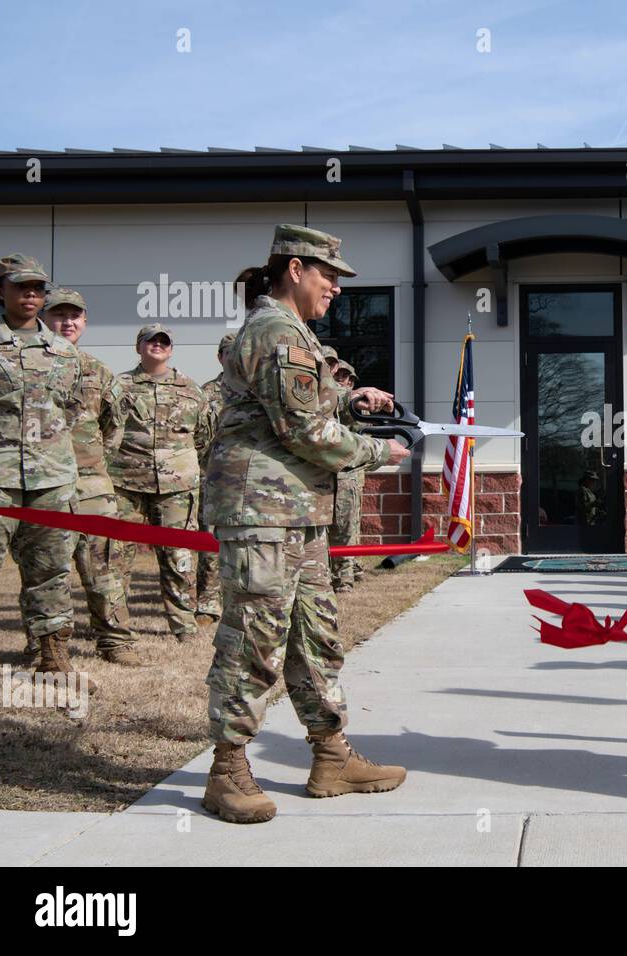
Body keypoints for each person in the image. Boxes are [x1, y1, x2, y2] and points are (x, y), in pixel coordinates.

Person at [202, 224, 410, 825]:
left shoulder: (294, 336)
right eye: (329, 276)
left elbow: (298, 406)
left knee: (314, 637)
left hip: (298, 514)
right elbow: (302, 431)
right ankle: (227, 770)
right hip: (263, 514)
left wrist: (352, 400)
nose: (337, 289)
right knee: (253, 640)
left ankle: (331, 756)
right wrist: (379, 453)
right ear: (295, 270)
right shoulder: (276, 331)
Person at [0, 256, 93, 691]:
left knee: (51, 569)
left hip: (52, 478)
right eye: (21, 287)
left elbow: (71, 410)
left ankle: (50, 653)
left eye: (38, 288)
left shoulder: (66, 353)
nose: (31, 294)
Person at [41, 289, 140, 666]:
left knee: (104, 566)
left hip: (92, 484)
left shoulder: (98, 371)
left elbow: (115, 426)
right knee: (48, 568)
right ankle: (45, 644)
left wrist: (94, 464)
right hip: (44, 484)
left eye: (74, 316)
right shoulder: (29, 365)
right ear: (45, 319)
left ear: (84, 321)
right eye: (58, 315)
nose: (67, 322)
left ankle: (114, 640)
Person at [108, 324, 212, 643]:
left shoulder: (191, 389)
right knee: (116, 556)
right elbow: (106, 430)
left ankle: (184, 626)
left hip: (177, 488)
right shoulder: (119, 386)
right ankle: (114, 627)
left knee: (178, 557)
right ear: (138, 347)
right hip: (126, 483)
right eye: (150, 341)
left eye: (163, 341)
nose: (157, 345)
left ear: (171, 349)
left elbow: (204, 437)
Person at [195, 332, 236, 634]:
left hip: (248, 479)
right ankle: (208, 602)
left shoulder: (255, 388)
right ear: (219, 356)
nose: (233, 357)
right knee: (210, 542)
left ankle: (235, 598)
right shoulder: (205, 393)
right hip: (212, 477)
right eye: (227, 352)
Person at [328, 359, 365, 593]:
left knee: (346, 525)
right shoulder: (321, 398)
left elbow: (360, 431)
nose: (346, 381)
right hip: (324, 473)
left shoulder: (352, 403)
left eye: (349, 378)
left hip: (347, 473)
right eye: (341, 375)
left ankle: (345, 576)